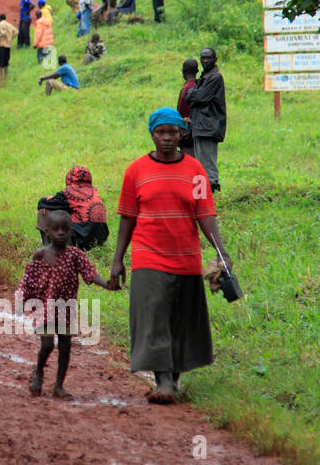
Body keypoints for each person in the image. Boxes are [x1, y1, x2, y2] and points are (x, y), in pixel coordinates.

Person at [109, 107, 234, 404]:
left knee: (180, 319)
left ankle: (174, 377)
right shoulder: (135, 171)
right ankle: (163, 380)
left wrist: (222, 252)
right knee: (153, 316)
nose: (166, 138)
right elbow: (127, 218)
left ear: (182, 134)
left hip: (186, 257)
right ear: (152, 134)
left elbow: (206, 214)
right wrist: (117, 259)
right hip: (147, 255)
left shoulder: (195, 171)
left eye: (173, 132)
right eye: (160, 132)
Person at [20, 203, 112, 397]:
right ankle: (38, 371)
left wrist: (106, 284)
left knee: (65, 346)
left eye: (65, 229)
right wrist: (24, 298)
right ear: (47, 232)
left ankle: (59, 386)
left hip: (66, 310)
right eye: (56, 229)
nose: (61, 233)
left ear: (71, 231)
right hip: (44, 307)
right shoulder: (41, 254)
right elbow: (29, 278)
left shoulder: (75, 255)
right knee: (47, 345)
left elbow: (90, 273)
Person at [185, 47, 226, 192]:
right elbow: (190, 97)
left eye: (208, 58)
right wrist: (193, 95)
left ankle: (211, 192)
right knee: (201, 162)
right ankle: (203, 193)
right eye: (203, 58)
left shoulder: (215, 77)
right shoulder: (205, 77)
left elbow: (199, 97)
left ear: (215, 59)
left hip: (209, 125)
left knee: (207, 163)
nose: (205, 60)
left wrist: (193, 95)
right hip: (201, 125)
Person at [63, 165, 109, 250]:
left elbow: (44, 203)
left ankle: (48, 244)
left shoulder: (69, 191)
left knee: (48, 211)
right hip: (101, 238)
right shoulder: (94, 190)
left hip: (82, 238)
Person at [177, 58, 198, 147]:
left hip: (187, 130)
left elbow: (181, 110)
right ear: (197, 71)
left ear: (183, 71)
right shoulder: (200, 86)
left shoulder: (186, 88)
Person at [0, 13, 17, 83]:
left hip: (1, 45)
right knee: (6, 61)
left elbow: (0, 34)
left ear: (0, 19)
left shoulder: (0, 24)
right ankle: (6, 76)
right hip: (8, 45)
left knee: (0, 62)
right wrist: (10, 38)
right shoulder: (9, 25)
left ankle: (0, 77)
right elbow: (16, 32)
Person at [32, 0, 54, 64]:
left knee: (40, 54)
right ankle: (49, 61)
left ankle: (40, 64)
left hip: (43, 42)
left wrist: (35, 44)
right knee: (45, 53)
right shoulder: (46, 21)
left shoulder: (39, 23)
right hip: (48, 41)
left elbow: (38, 34)